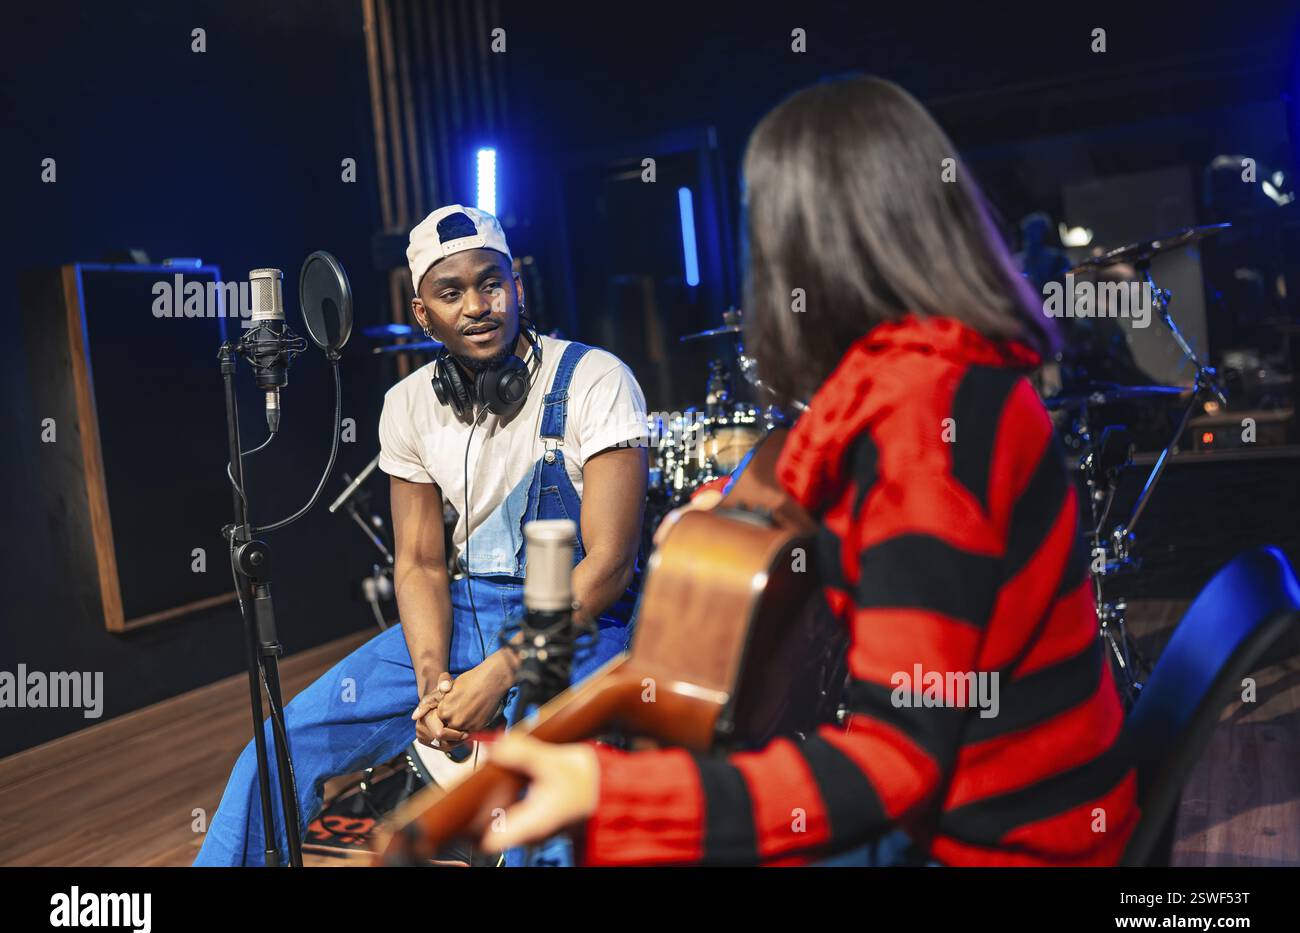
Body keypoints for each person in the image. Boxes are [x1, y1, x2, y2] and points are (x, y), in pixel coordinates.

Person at [464, 77, 1139, 866]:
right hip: (1029, 800)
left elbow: (894, 764)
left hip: (1003, 840)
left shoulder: (927, 433)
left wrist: (612, 793)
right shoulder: (935, 368)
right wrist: (720, 507)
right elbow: (812, 452)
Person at [195, 204, 649, 866]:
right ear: (422, 313)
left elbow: (608, 565)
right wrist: (435, 677)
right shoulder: (408, 405)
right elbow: (418, 564)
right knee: (275, 751)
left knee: (531, 789)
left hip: (580, 616)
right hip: (463, 612)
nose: (478, 305)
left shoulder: (596, 380)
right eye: (451, 291)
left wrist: (498, 671)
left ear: (518, 286)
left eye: (492, 283)